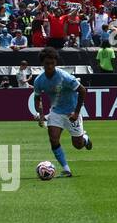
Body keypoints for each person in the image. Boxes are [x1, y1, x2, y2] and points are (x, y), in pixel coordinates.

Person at [32, 46, 92, 177]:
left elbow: (82, 90)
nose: (49, 66)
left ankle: (85, 139)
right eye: (47, 63)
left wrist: (76, 113)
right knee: (53, 139)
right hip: (56, 112)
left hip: (71, 112)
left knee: (78, 145)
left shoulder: (64, 77)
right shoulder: (39, 81)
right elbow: (37, 98)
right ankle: (66, 169)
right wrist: (41, 114)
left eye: (52, 63)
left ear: (55, 63)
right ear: (42, 63)